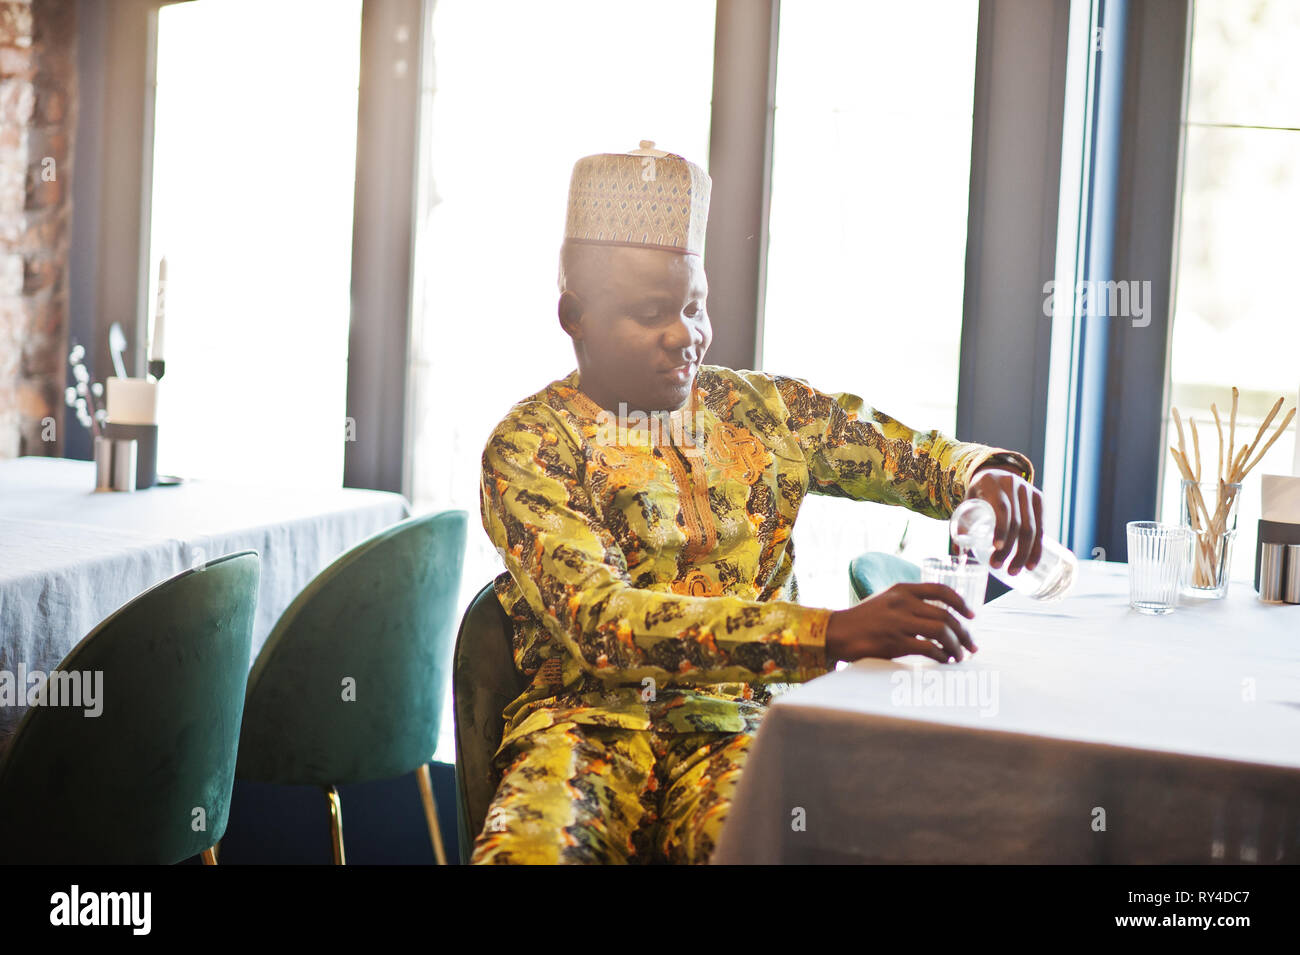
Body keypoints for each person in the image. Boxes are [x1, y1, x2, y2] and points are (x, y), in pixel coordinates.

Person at [472, 142, 1041, 864]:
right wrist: (827, 634)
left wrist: (983, 473)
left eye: (695, 306)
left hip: (740, 724)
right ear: (574, 314)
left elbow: (906, 454)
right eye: (652, 313)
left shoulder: (760, 410)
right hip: (582, 727)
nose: (686, 336)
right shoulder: (529, 444)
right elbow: (602, 622)